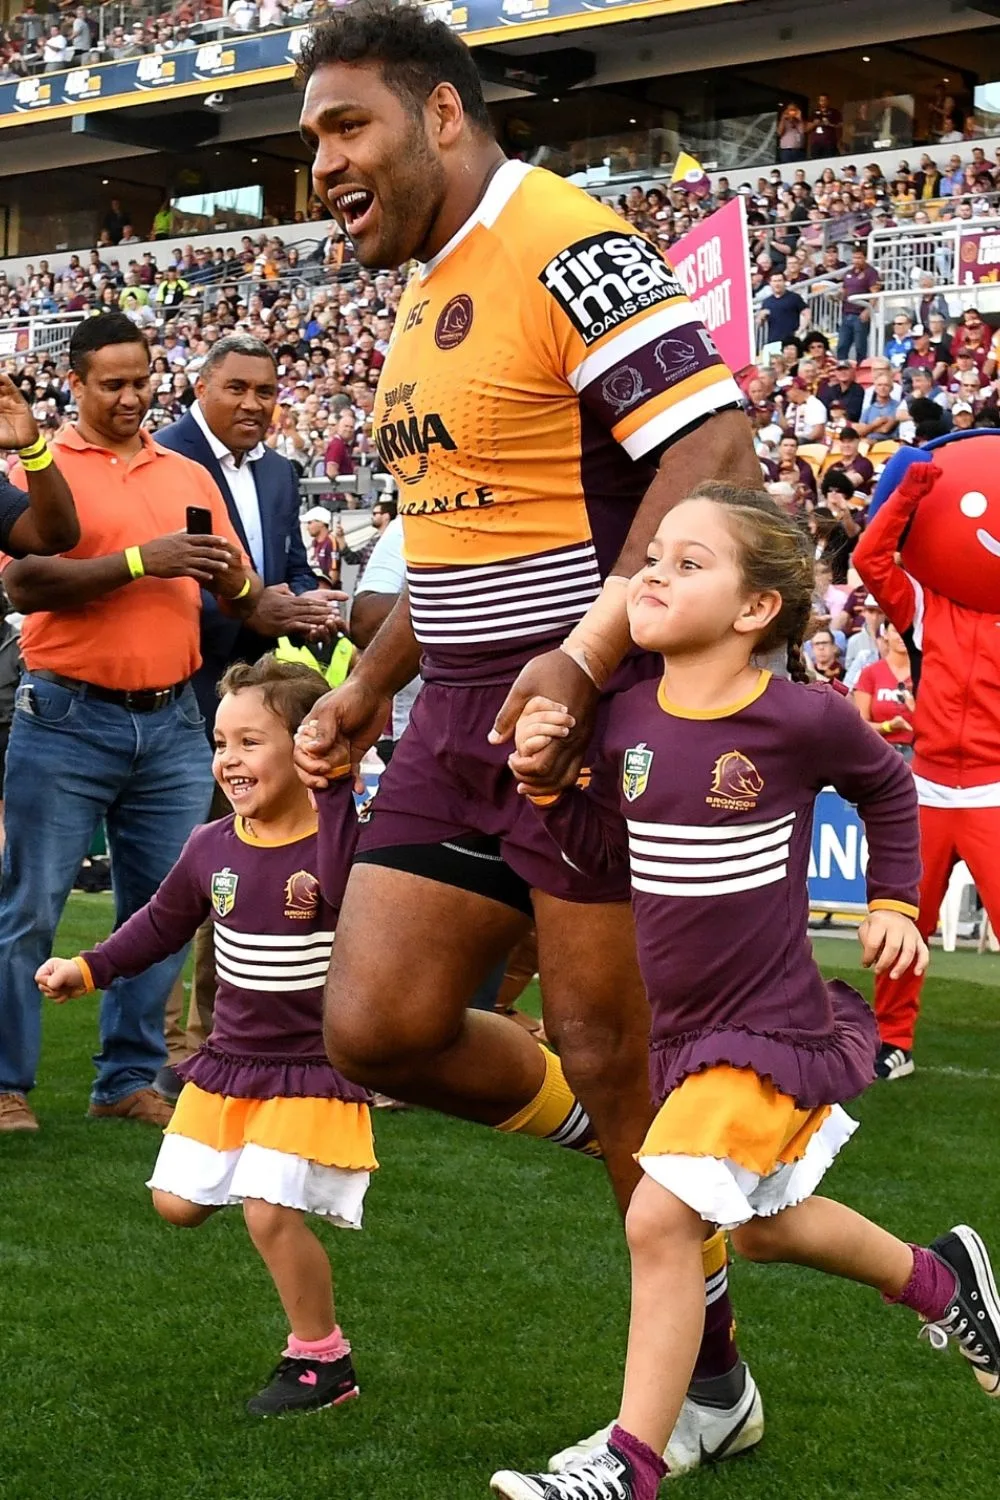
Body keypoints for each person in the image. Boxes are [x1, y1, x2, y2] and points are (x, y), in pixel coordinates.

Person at [295, 1, 765, 1474]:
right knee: (377, 1024)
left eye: (343, 125)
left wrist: (589, 651)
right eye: (311, 136)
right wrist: (368, 685)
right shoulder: (428, 285)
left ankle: (706, 1386)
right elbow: (457, 543)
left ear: (443, 113)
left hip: (592, 703)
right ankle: (631, 1178)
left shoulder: (561, 233)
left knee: (614, 1052)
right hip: (455, 708)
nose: (318, 161)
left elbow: (714, 447)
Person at [490, 484, 1000, 1500]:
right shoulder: (625, 719)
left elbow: (888, 788)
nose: (654, 575)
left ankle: (630, 1463)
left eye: (688, 563)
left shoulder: (798, 718)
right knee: (759, 1226)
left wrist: (893, 902)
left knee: (658, 1216)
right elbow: (613, 861)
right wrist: (549, 793)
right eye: (652, 559)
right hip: (683, 1037)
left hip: (768, 1026)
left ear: (755, 607)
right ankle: (945, 1280)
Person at [36, 658, 376, 1416]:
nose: (228, 759)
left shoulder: (341, 837)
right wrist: (88, 968)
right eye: (221, 742)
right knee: (177, 1204)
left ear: (307, 746)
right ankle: (267, 1185)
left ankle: (322, 1360)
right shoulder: (210, 846)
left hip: (312, 1067)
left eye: (250, 741)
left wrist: (335, 794)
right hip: (230, 1066)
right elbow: (160, 924)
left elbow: (356, 899)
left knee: (266, 1209)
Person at [0, 314, 261, 1134]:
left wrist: (270, 601)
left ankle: (127, 1077)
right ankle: (7, 1083)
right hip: (66, 714)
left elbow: (235, 581)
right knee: (31, 907)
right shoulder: (40, 471)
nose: (129, 396)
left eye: (141, 380)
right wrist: (146, 561)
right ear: (75, 384)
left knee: (161, 910)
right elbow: (28, 582)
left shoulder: (186, 471)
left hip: (175, 717)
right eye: (110, 383)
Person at [155, 334, 343, 1088]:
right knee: (175, 881)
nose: (254, 405)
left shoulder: (279, 471)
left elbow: (287, 564)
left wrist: (305, 601)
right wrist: (256, 608)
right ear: (202, 387)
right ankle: (159, 1051)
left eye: (265, 392)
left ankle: (213, 1040)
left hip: (254, 695)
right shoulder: (166, 457)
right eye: (237, 389)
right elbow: (174, 582)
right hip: (181, 690)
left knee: (242, 866)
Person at [853, 623, 915, 757]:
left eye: (908, 632)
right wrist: (888, 726)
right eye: (896, 631)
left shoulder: (926, 672)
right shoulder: (870, 673)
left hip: (918, 751)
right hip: (880, 752)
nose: (902, 637)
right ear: (885, 634)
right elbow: (860, 724)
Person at [836, 245, 881, 363]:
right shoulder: (848, 273)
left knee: (860, 346)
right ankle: (842, 367)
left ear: (865, 258)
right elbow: (844, 290)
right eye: (854, 258)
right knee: (842, 345)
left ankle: (861, 369)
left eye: (859, 258)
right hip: (846, 313)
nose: (856, 261)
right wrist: (837, 295)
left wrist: (868, 310)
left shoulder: (871, 272)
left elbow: (874, 293)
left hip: (860, 315)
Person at [756, 271, 806, 348]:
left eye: (779, 280)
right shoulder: (767, 302)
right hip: (773, 342)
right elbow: (760, 323)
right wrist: (760, 317)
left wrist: (801, 329)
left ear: (784, 282)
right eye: (774, 281)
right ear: (770, 283)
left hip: (791, 341)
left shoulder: (794, 297)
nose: (777, 284)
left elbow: (806, 313)